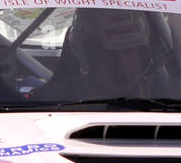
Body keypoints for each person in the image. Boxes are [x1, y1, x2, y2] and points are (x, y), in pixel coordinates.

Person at [31, 8, 166, 102]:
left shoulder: (166, 96)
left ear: (143, 55)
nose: (122, 67)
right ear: (90, 56)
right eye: (110, 56)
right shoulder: (54, 101)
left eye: (130, 52)